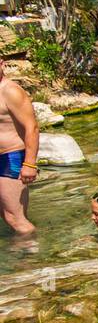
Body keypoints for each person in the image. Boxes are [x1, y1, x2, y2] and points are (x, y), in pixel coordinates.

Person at [0, 67, 39, 235]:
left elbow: (32, 127)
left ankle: (32, 258)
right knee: (5, 214)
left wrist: (29, 163)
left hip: (10, 157)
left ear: (2, 63)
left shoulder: (11, 91)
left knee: (15, 218)